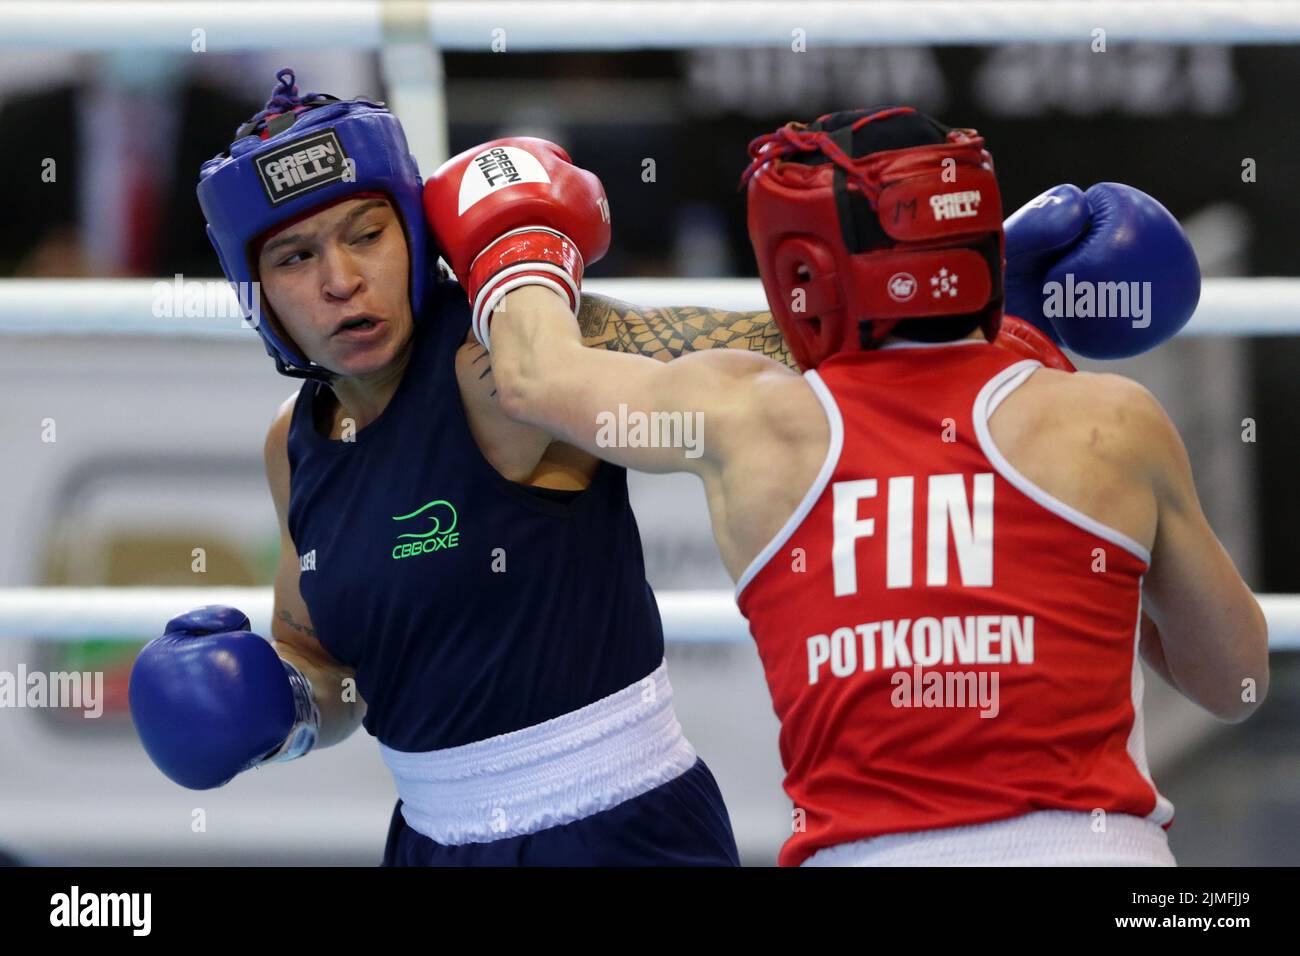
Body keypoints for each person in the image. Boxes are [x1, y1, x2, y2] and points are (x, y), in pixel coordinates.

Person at [452, 106, 1270, 866]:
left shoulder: (741, 422)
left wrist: (512, 219)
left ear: (799, 265)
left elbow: (530, 377)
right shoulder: (1112, 424)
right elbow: (1234, 681)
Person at [129, 68, 763, 866]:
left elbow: (737, 364)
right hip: (433, 842)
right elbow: (328, 666)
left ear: (416, 235)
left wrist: (868, 306)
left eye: (366, 234)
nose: (340, 280)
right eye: (295, 257)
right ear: (258, 295)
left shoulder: (503, 359)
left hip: (620, 831)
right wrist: (283, 704)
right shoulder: (294, 442)